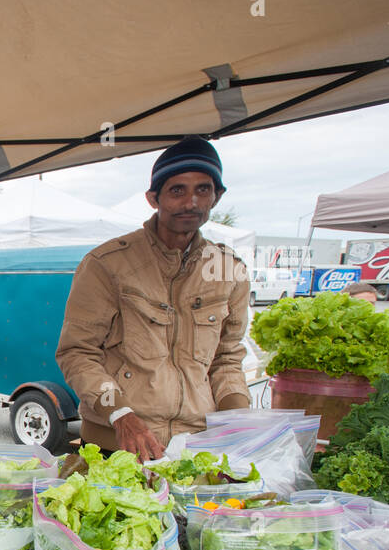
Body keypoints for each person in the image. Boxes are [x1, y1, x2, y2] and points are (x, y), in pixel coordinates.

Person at [56, 136, 251, 461]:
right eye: (177, 190)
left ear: (217, 196)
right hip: (114, 447)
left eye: (203, 189)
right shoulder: (108, 264)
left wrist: (240, 421)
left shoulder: (228, 269)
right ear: (153, 198)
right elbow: (78, 353)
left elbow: (227, 359)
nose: (191, 202)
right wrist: (120, 415)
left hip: (194, 450)